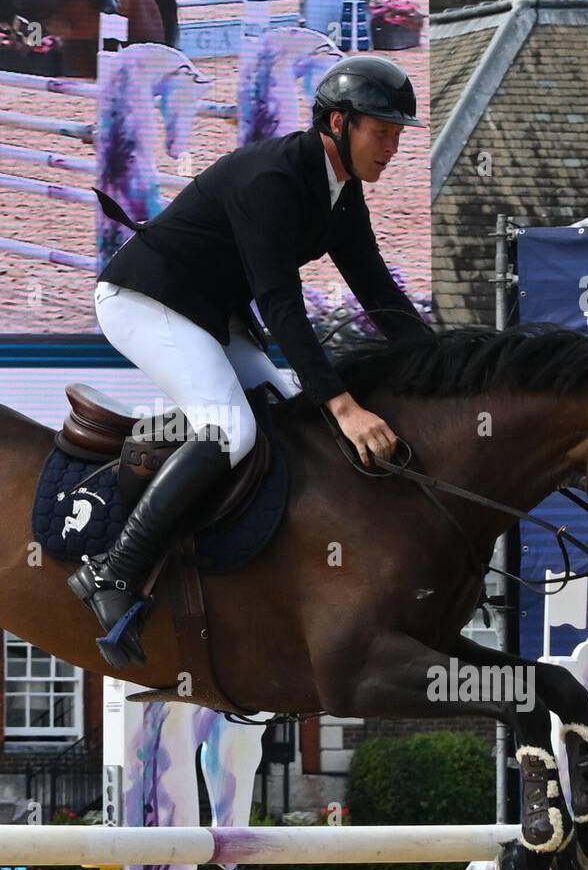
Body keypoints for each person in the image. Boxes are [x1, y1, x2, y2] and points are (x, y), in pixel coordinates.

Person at [69, 56, 434, 667]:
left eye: (399, 134)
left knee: (289, 415)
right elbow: (282, 304)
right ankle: (113, 570)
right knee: (231, 429)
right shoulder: (274, 178)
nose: (393, 147)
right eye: (383, 131)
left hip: (209, 311)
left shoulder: (340, 192)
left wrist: (442, 366)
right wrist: (343, 406)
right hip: (143, 301)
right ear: (339, 123)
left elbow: (379, 293)